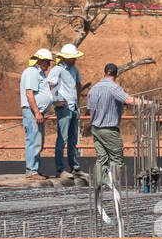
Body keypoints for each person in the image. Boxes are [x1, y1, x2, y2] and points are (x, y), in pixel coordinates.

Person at [85, 62, 143, 184]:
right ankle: (111, 183)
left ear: (104, 72)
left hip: (95, 129)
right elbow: (128, 99)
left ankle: (98, 183)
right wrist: (147, 103)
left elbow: (90, 111)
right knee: (116, 158)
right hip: (109, 130)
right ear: (116, 74)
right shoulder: (113, 88)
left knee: (102, 158)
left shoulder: (93, 89)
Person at [47, 44, 84, 177]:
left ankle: (74, 166)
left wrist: (77, 101)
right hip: (63, 109)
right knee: (62, 138)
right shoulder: (57, 69)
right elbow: (50, 84)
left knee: (73, 139)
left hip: (73, 107)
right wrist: (55, 100)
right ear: (65, 58)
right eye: (72, 57)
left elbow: (78, 84)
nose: (74, 60)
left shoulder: (74, 69)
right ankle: (60, 168)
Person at [19, 48, 54, 178]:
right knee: (33, 139)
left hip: (36, 112)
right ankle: (31, 170)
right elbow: (29, 93)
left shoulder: (40, 74)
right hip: (32, 112)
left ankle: (35, 169)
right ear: (40, 60)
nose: (49, 65)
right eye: (47, 61)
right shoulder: (31, 72)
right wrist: (37, 112)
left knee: (38, 140)